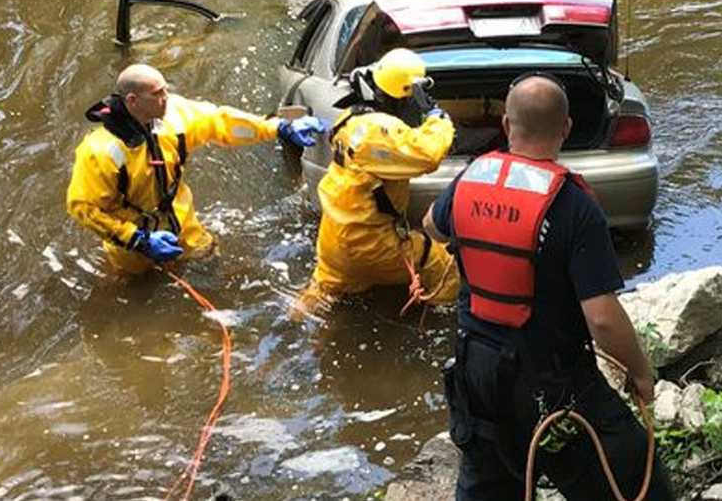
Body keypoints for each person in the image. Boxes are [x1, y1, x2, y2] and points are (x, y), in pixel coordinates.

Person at [423, 74, 674, 500]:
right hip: (553, 383)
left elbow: (432, 225)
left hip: (476, 373)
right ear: (567, 129)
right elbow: (602, 319)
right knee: (637, 484)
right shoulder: (575, 205)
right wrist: (640, 373)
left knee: (488, 485)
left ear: (506, 125)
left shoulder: (472, 178)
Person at [67, 63, 325, 276]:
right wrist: (138, 240)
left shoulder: (174, 117)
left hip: (184, 227)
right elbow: (83, 208)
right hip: (131, 244)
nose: (166, 97)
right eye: (157, 93)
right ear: (133, 101)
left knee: (211, 264)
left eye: (165, 90)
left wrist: (278, 128)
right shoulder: (100, 152)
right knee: (136, 290)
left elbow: (221, 124)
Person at [297, 47, 459, 314]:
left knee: (321, 294)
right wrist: (436, 119)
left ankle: (292, 323)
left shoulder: (350, 117)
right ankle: (439, 318)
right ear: (407, 95)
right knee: (441, 263)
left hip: (335, 238)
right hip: (370, 244)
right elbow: (428, 156)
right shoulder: (380, 130)